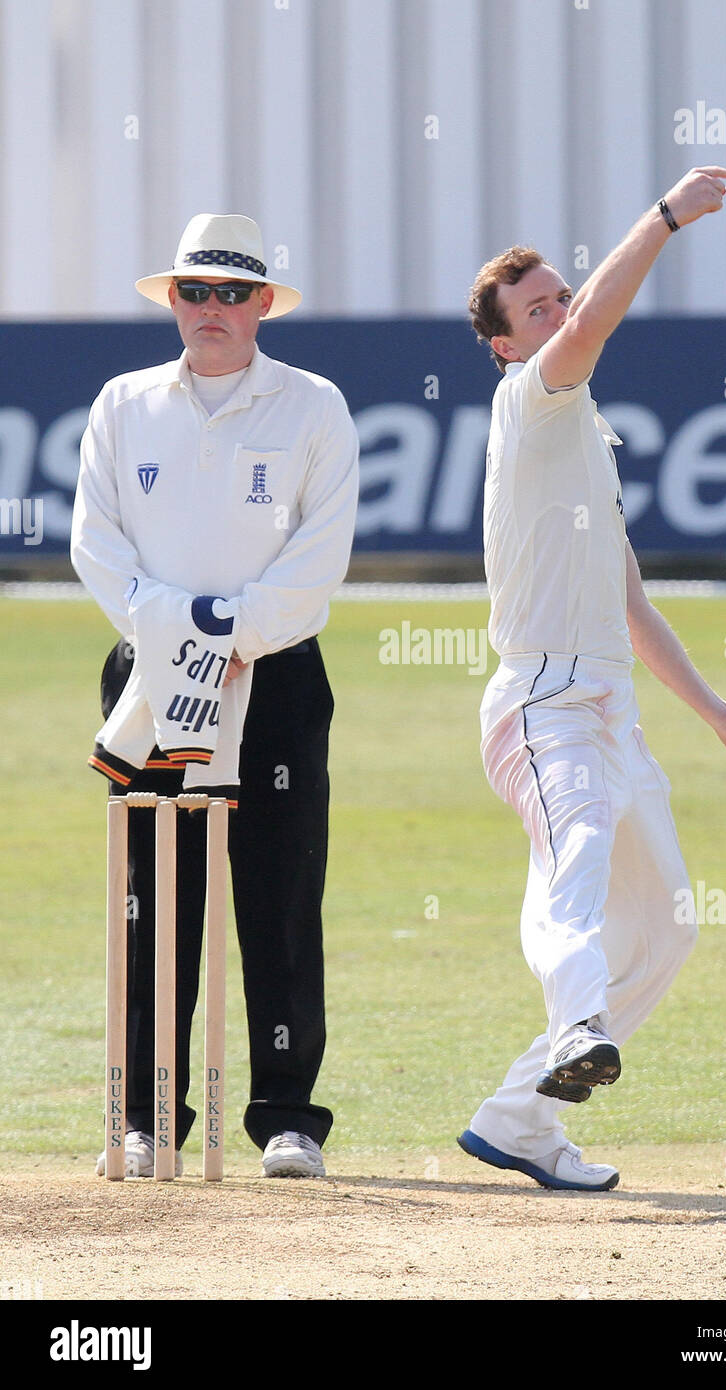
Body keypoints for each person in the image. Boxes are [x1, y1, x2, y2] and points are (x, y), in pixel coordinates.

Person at [458, 167, 726, 1193]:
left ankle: (521, 1120)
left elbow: (630, 602)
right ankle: (575, 1023)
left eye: (557, 296)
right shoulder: (530, 399)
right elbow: (591, 325)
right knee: (575, 855)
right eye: (534, 308)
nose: (554, 314)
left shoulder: (582, 435)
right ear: (506, 342)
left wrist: (716, 715)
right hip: (541, 701)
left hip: (609, 705)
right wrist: (665, 218)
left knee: (669, 922)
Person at [71, 213, 359, 1179]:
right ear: (174, 302)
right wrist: (173, 633)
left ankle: (285, 1116)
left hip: (270, 676)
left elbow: (319, 562)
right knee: (154, 897)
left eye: (233, 292)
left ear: (265, 303)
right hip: (153, 678)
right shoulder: (124, 403)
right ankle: (152, 1116)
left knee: (280, 892)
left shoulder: (314, 406)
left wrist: (229, 634)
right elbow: (94, 543)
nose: (213, 310)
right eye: (195, 292)